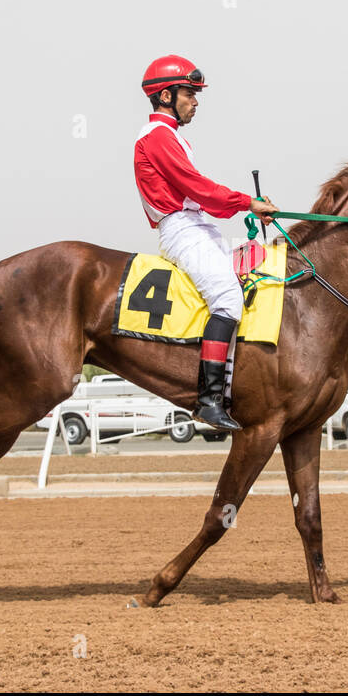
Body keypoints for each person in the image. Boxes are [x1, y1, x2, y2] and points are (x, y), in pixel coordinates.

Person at [133, 54, 279, 431]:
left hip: (196, 226)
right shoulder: (157, 137)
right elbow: (198, 188)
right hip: (181, 228)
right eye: (190, 94)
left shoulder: (172, 137)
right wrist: (247, 201)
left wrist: (246, 206)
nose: (195, 102)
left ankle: (235, 381)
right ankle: (209, 400)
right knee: (228, 298)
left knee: (251, 282)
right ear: (166, 96)